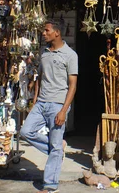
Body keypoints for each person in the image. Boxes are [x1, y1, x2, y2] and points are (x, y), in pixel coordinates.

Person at [20, 20, 78, 193]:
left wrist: (63, 110)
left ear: (57, 33)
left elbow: (73, 86)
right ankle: (58, 150)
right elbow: (40, 78)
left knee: (55, 145)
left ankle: (50, 185)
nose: (43, 33)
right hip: (41, 103)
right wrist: (35, 101)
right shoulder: (43, 53)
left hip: (58, 104)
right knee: (25, 132)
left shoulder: (70, 55)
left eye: (46, 31)